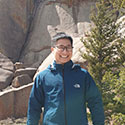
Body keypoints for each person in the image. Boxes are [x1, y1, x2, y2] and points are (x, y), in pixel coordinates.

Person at [27, 32, 105, 125]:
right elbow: (34, 107)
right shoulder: (43, 77)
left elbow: (95, 102)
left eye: (68, 47)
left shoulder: (83, 75)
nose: (65, 51)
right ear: (52, 50)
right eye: (61, 47)